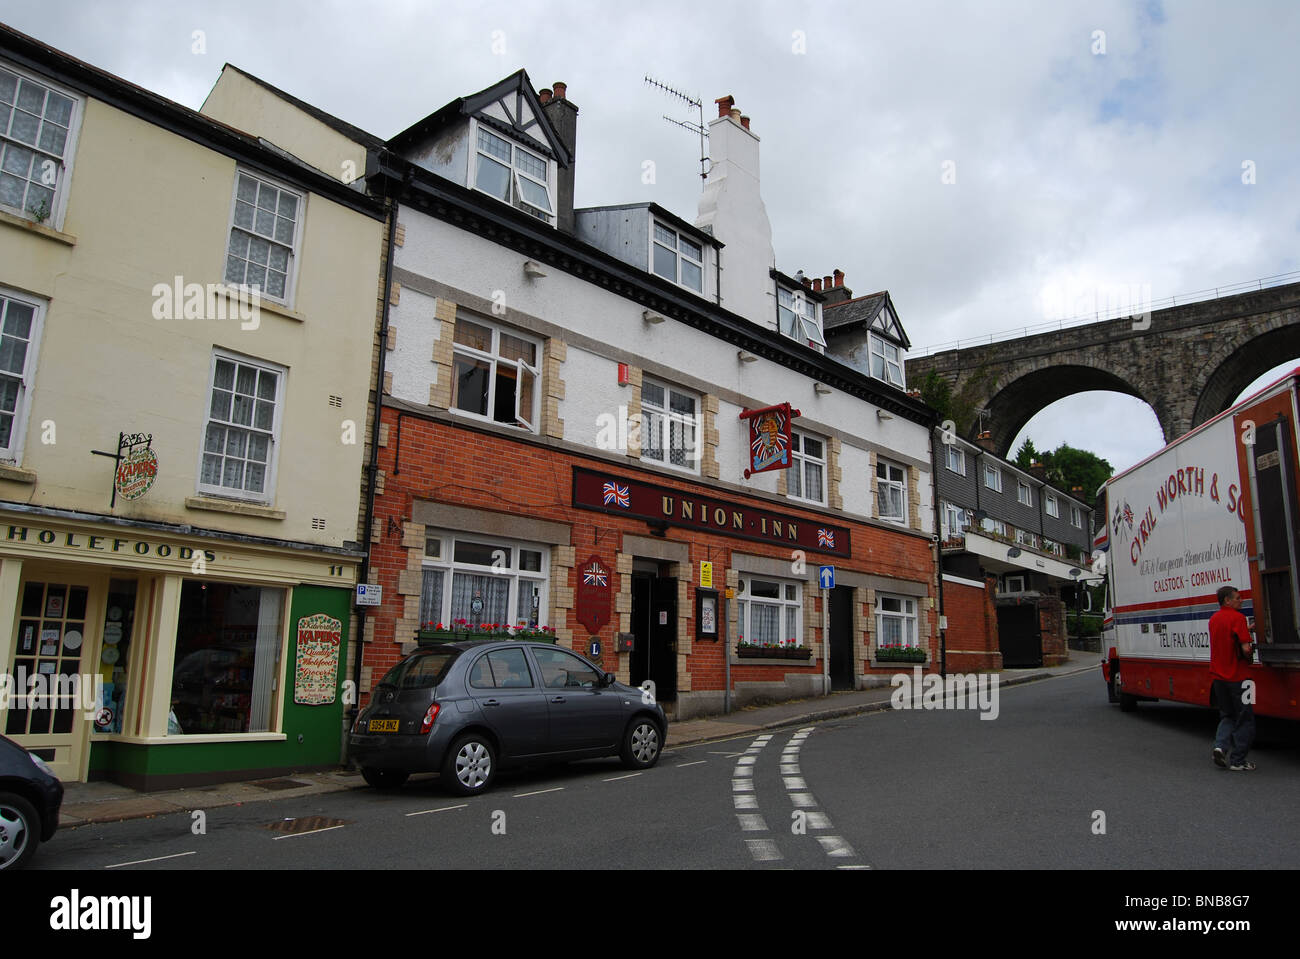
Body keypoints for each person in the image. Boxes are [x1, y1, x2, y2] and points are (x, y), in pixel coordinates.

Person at [1208, 586, 1255, 771]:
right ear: (1227, 600)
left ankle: (1220, 747)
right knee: (1246, 718)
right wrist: (1250, 643)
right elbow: (1245, 649)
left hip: (1219, 678)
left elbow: (1227, 639)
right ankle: (1238, 760)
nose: (1241, 600)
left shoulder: (1214, 619)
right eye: (1237, 598)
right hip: (1241, 678)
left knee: (1227, 715)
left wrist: (1245, 630)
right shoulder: (1238, 618)